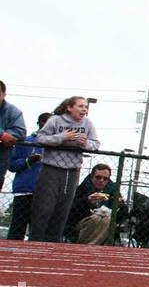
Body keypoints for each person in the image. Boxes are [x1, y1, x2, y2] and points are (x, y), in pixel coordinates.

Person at [29, 97, 101, 244]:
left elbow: (96, 143)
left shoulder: (87, 124)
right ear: (69, 107)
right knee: (44, 208)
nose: (84, 110)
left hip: (72, 170)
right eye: (80, 106)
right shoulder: (56, 120)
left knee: (62, 209)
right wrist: (62, 137)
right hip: (51, 168)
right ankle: (36, 241)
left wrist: (85, 143)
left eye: (85, 107)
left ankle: (53, 243)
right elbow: (40, 138)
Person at [4, 112, 49, 241]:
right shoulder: (25, 142)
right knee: (17, 229)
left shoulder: (55, 145)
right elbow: (12, 165)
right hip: (24, 191)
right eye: (45, 123)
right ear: (39, 123)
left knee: (39, 231)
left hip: (46, 193)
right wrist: (28, 161)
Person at [65, 164, 124, 245]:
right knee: (96, 219)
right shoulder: (82, 189)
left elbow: (123, 214)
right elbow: (70, 211)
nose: (101, 180)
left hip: (105, 221)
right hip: (83, 222)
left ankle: (91, 245)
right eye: (98, 177)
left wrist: (119, 205)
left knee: (108, 220)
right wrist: (87, 201)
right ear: (92, 177)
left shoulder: (113, 191)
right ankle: (91, 246)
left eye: (105, 179)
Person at [0, 80, 27, 195]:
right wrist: (3, 135)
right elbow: (5, 136)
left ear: (4, 94)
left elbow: (20, 133)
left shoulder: (13, 111)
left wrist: (7, 136)